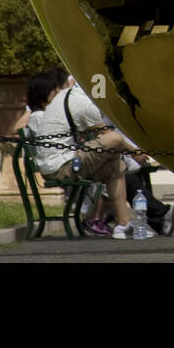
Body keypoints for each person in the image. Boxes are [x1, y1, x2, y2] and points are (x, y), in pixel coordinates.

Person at [29, 70, 155, 240]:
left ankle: (123, 225)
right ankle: (119, 222)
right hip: (61, 165)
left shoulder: (70, 95)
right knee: (113, 140)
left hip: (60, 160)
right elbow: (110, 138)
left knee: (115, 164)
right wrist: (136, 153)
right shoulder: (86, 105)